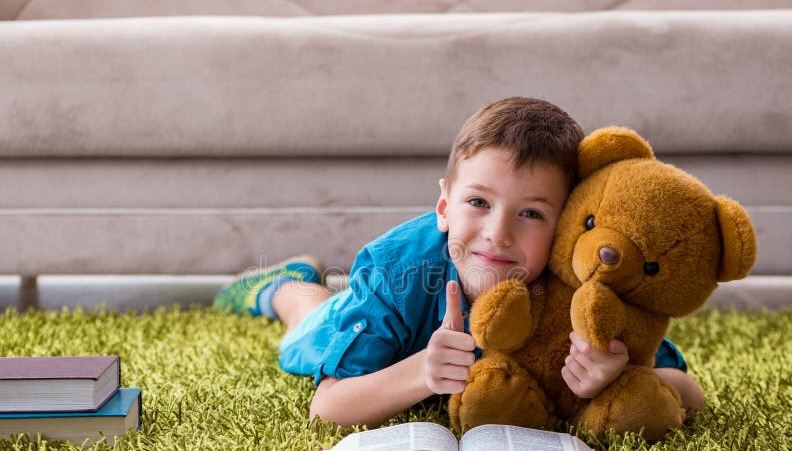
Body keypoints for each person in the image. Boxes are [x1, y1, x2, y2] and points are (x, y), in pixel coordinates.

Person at [213, 97, 704, 428]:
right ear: (445, 206)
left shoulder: (581, 286)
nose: (498, 233)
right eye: (478, 203)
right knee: (309, 320)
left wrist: (612, 374)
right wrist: (422, 372)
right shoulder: (397, 271)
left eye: (531, 213)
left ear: (565, 225)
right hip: (375, 300)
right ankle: (282, 285)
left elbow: (691, 394)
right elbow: (329, 405)